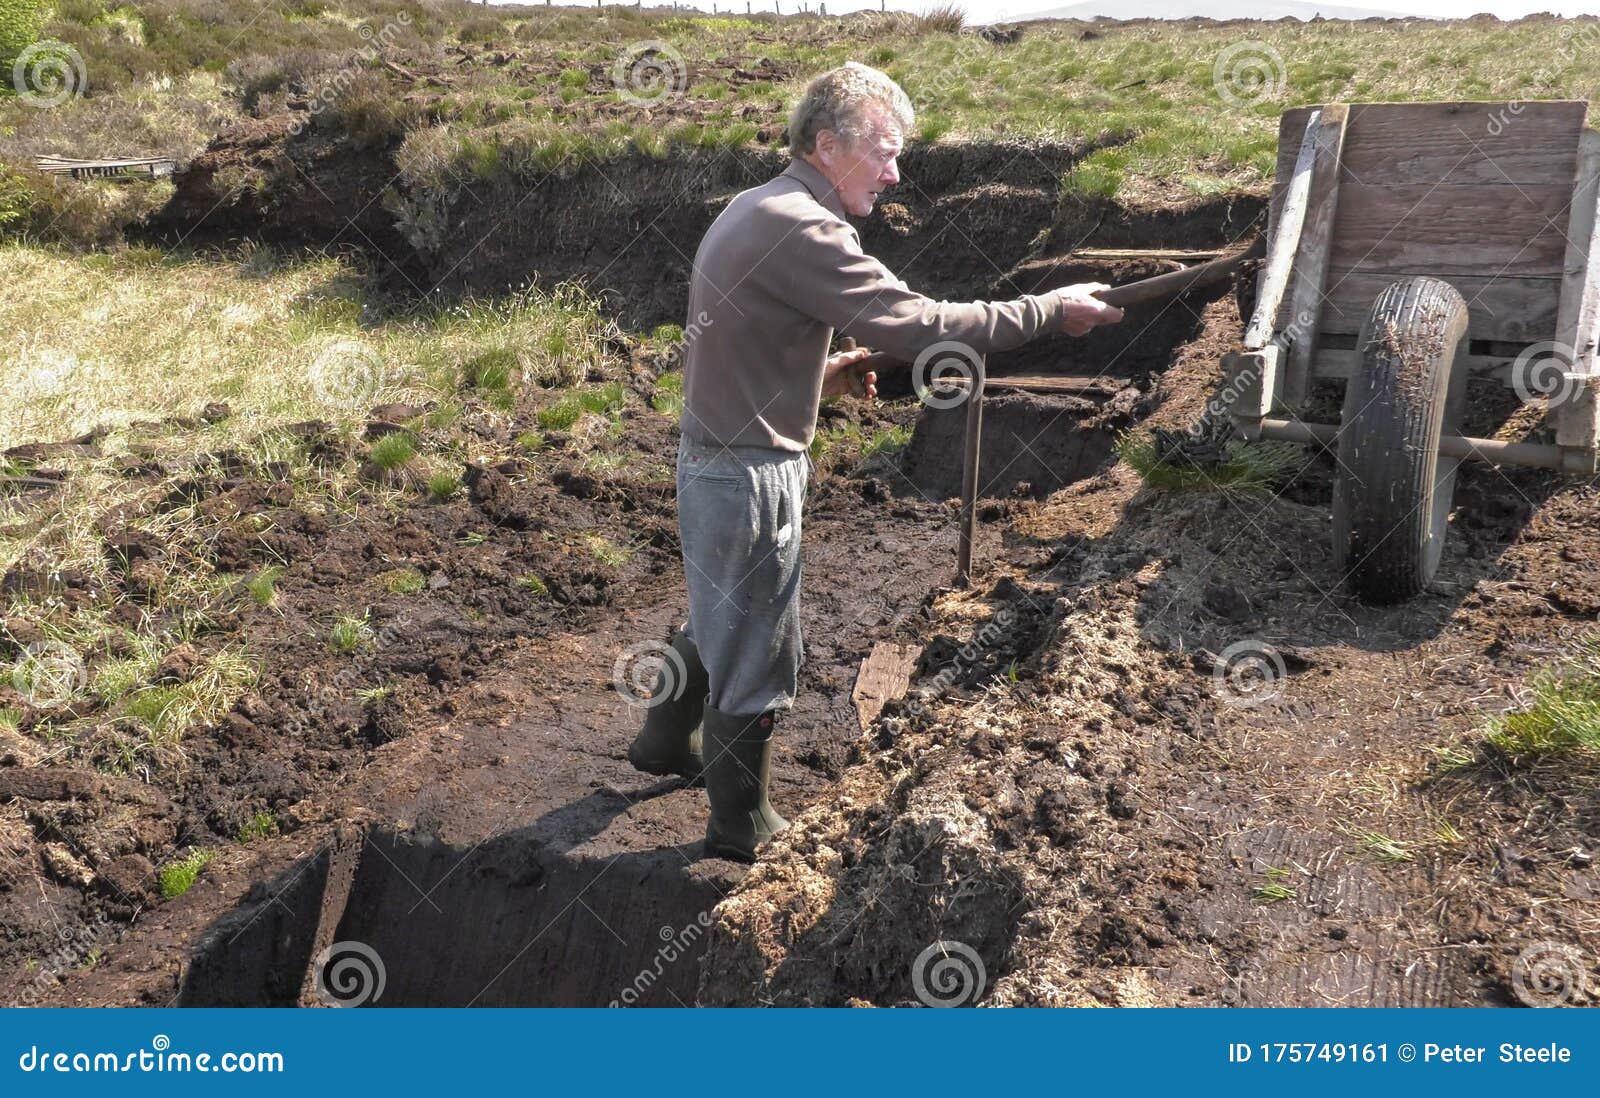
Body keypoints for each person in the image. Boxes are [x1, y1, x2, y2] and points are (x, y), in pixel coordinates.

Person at [628, 62, 1124, 861]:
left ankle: (660, 744)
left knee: (719, 611)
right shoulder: (804, 225)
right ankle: (738, 825)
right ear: (828, 145)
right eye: (884, 153)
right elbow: (920, 322)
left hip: (716, 454)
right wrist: (1048, 309)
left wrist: (816, 374)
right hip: (748, 473)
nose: (896, 174)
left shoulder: (761, 205)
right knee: (758, 641)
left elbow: (739, 338)